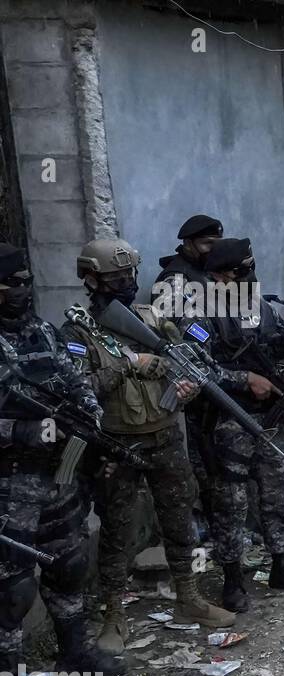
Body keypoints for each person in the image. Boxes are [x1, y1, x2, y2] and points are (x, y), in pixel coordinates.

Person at [63, 239, 236, 652]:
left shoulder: (152, 319)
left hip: (165, 434)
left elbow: (184, 360)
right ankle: (114, 614)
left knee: (178, 519)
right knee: (118, 531)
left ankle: (188, 597)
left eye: (129, 275)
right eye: (114, 277)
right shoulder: (76, 331)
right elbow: (76, 390)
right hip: (117, 445)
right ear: (90, 279)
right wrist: (127, 365)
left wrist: (186, 385)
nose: (125, 283)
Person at [0, 242, 124, 676]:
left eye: (26, 283)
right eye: (11, 285)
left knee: (70, 564)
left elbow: (75, 382)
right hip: (8, 483)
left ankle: (74, 653)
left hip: (56, 476)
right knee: (11, 589)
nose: (21, 293)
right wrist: (20, 432)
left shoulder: (42, 333)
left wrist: (88, 419)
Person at [196, 238, 284, 611]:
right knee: (231, 502)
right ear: (217, 276)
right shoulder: (201, 314)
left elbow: (281, 357)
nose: (248, 276)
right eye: (239, 272)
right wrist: (244, 379)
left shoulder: (263, 309)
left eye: (250, 268)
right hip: (229, 419)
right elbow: (194, 367)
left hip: (272, 418)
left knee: (281, 489)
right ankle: (232, 580)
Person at [154, 214, 224, 531]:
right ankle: (202, 519)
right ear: (189, 243)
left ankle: (219, 516)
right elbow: (176, 335)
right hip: (190, 375)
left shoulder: (205, 273)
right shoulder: (174, 280)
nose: (213, 249)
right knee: (199, 452)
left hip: (214, 370)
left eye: (216, 243)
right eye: (208, 243)